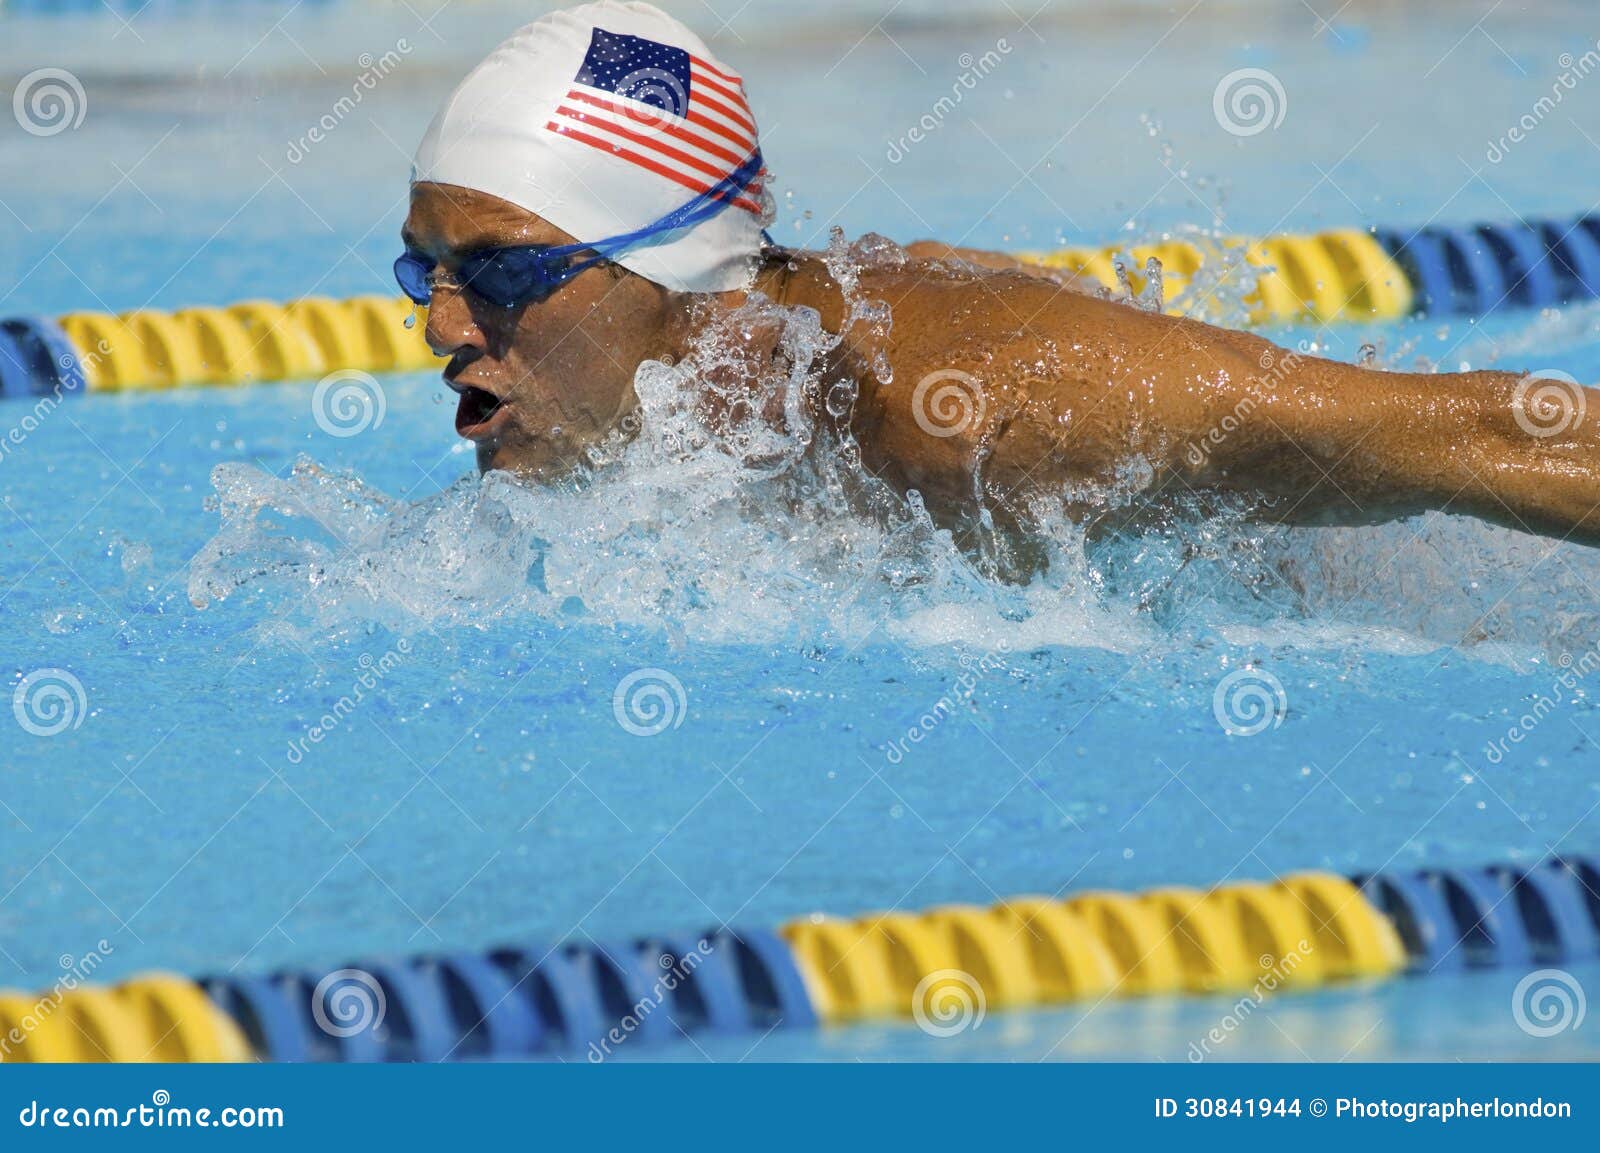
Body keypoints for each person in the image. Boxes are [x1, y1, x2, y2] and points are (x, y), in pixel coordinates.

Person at [401, 0, 1600, 570]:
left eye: (500, 273)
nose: (440, 325)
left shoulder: (977, 408)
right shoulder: (706, 417)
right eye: (427, 271)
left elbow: (1482, 435)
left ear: (676, 276)